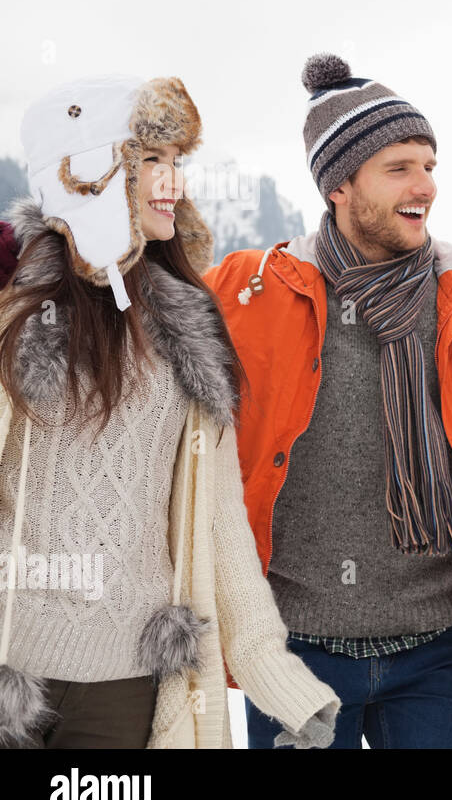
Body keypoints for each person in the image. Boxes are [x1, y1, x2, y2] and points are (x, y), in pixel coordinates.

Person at [204, 54, 452, 749]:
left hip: (438, 649)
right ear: (340, 186)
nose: (426, 186)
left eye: (430, 164)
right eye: (400, 168)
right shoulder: (247, 293)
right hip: (291, 650)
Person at [0, 75, 339, 748]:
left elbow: (217, 522)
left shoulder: (185, 331)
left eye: (177, 162)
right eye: (151, 160)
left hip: (126, 685)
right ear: (90, 173)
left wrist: (273, 674)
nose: (173, 183)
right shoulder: (13, 315)